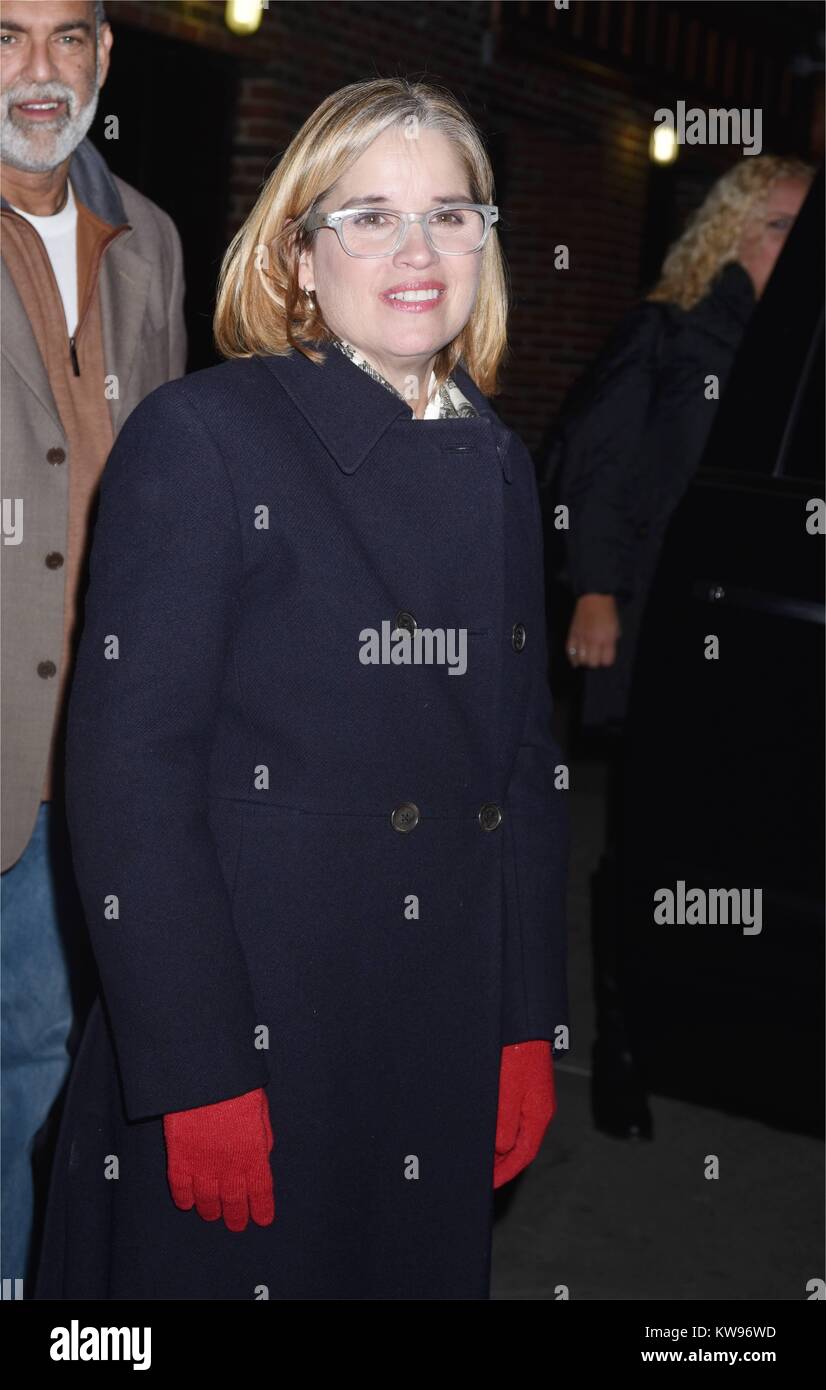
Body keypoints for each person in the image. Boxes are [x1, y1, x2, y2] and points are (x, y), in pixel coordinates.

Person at [34, 77, 570, 1301]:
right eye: (370, 216)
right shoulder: (204, 437)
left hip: (433, 1025)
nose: (420, 251)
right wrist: (196, 1065)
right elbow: (131, 777)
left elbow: (524, 766)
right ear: (298, 255)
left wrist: (523, 1015)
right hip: (257, 1021)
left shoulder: (496, 461)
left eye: (453, 214)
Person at [541, 154, 814, 1138]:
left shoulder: (788, 354)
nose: (794, 245)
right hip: (658, 622)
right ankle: (621, 1042)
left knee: (728, 834)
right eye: (779, 225)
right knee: (646, 833)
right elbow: (591, 468)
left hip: (750, 629)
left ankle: (724, 1025)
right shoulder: (665, 332)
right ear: (730, 231)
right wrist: (596, 593)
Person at [0, 0, 186, 1293]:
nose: (38, 72)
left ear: (106, 59)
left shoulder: (152, 242)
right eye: (3, 36)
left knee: (47, 1056)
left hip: (93, 752)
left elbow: (172, 488)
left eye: (68, 39)